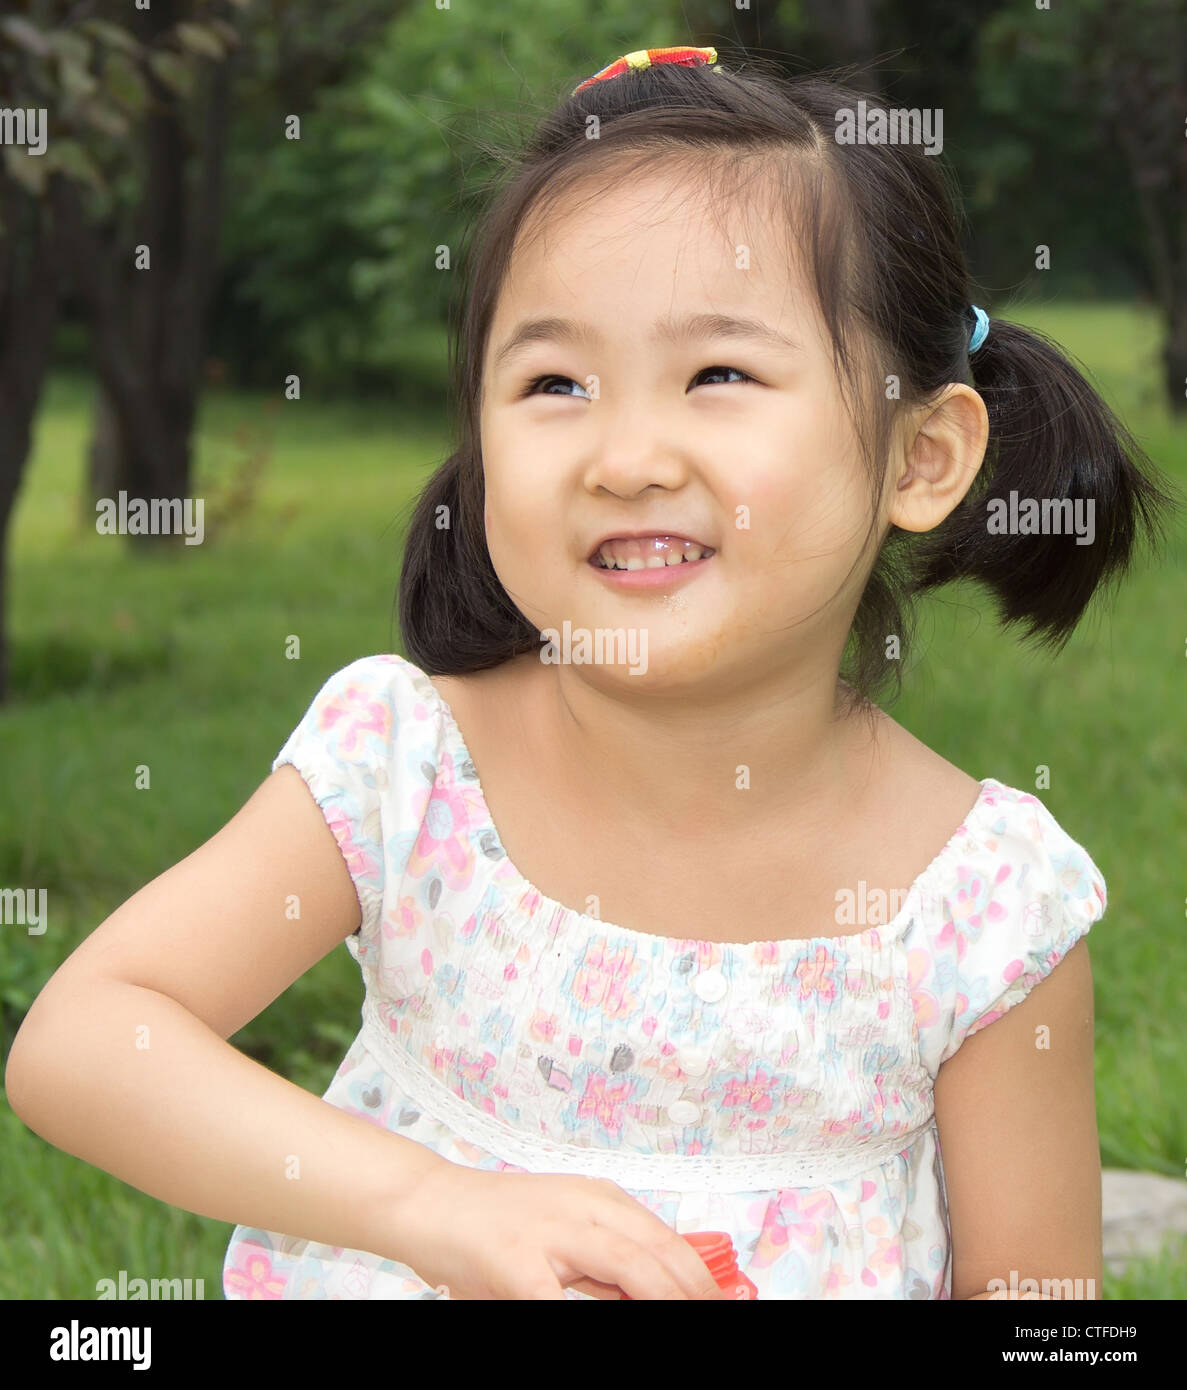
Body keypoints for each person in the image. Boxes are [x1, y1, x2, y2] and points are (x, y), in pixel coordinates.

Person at [7, 46, 1178, 1302]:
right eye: (553, 381)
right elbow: (83, 1041)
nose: (623, 456)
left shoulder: (981, 909)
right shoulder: (409, 773)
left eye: (717, 373)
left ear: (920, 455)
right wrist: (430, 1206)